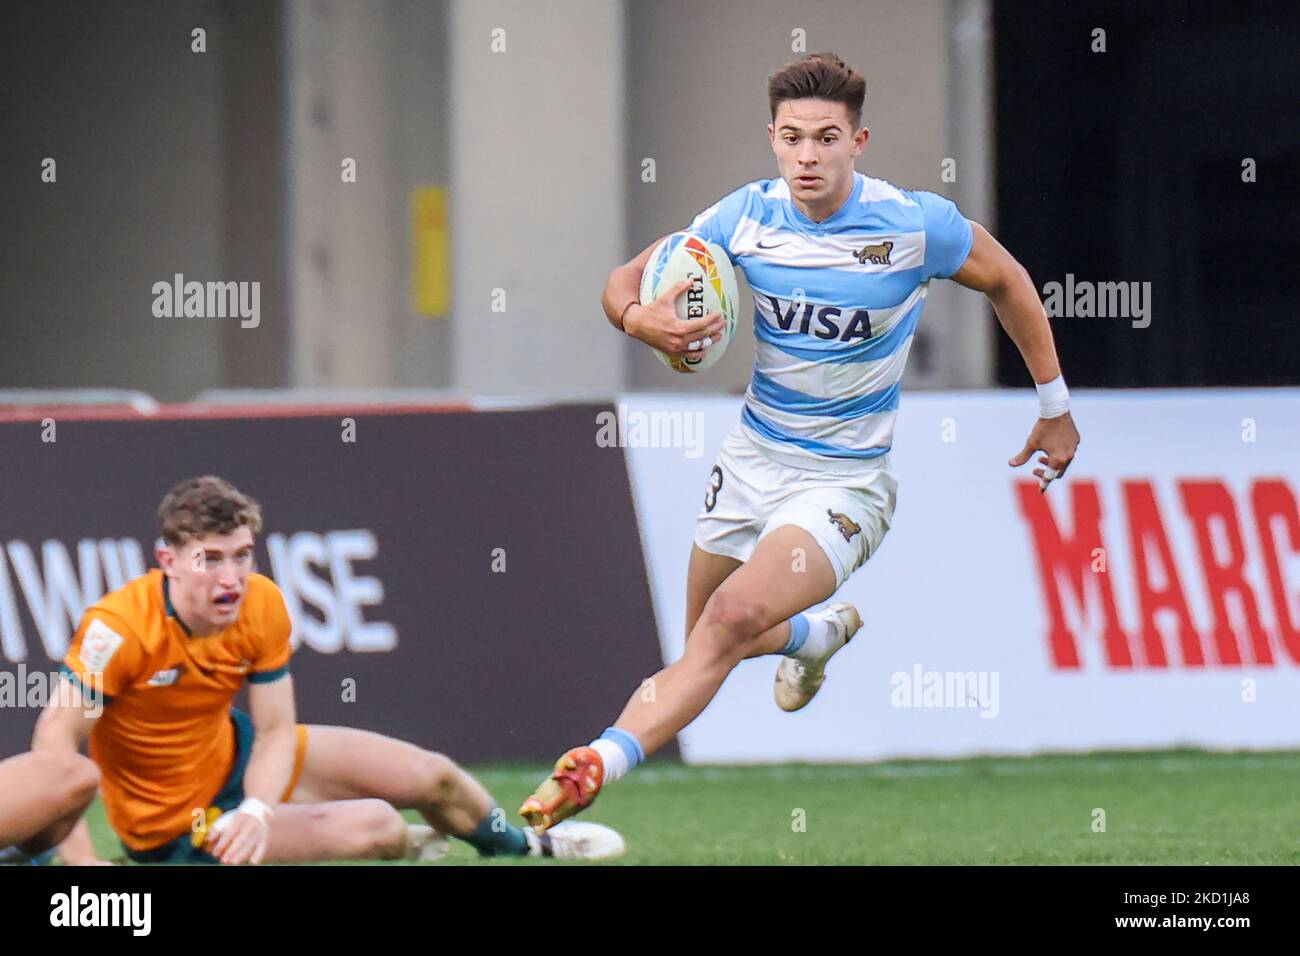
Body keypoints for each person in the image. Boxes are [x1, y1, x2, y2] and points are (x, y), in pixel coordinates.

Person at [520, 52, 1079, 830]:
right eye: (792, 139)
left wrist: (1054, 403)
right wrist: (637, 318)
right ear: (773, 141)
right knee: (702, 648)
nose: (807, 157)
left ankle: (589, 768)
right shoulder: (742, 217)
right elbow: (624, 279)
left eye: (825, 138)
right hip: (751, 459)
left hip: (844, 484)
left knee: (724, 626)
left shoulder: (914, 226)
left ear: (860, 141)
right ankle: (816, 637)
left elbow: (1009, 279)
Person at [35, 475, 624, 863]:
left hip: (236, 757)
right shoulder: (119, 629)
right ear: (168, 560)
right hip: (172, 828)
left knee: (432, 777)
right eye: (208, 560)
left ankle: (525, 848)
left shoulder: (260, 603)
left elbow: (273, 732)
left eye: (241, 556)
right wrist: (86, 872)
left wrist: (259, 812)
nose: (230, 578)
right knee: (380, 827)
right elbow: (55, 747)